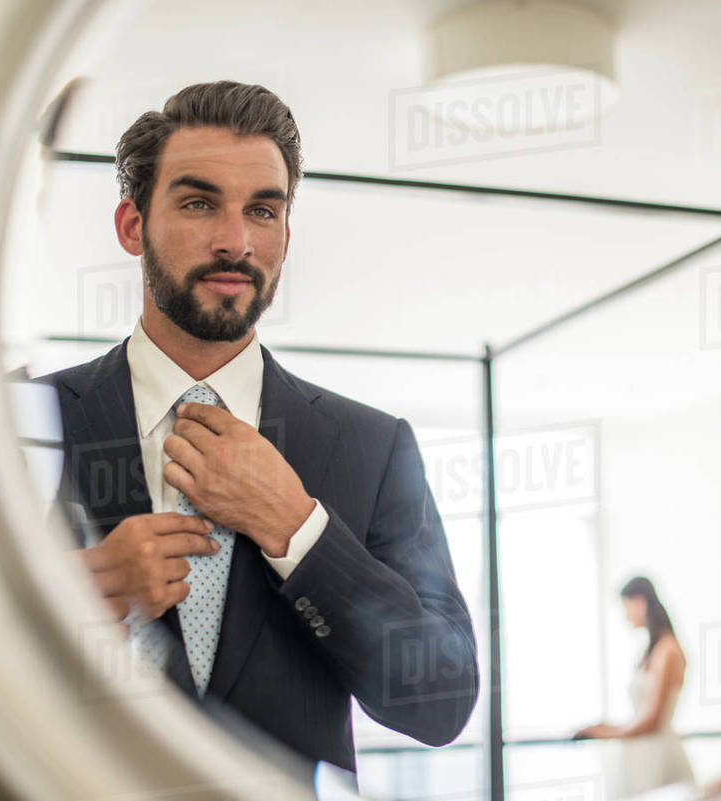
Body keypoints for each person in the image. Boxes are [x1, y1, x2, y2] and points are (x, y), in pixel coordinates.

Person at [40, 81, 479, 774]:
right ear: (131, 225)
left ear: (285, 233)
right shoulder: (23, 425)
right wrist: (78, 587)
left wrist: (298, 528)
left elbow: (440, 699)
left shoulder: (372, 447)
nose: (235, 242)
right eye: (197, 203)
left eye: (263, 210)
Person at [575, 576, 695, 798]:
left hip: (656, 757)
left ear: (640, 602)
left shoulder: (668, 650)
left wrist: (606, 732)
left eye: (626, 607)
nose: (625, 615)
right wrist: (607, 728)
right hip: (642, 756)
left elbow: (652, 720)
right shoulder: (652, 650)